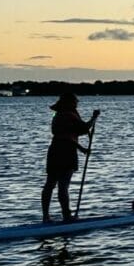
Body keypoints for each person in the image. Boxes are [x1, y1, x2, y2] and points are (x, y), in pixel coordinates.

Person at [43, 92, 99, 223]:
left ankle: (46, 216)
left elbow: (71, 133)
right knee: (62, 185)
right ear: (69, 102)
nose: (77, 104)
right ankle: (67, 216)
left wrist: (81, 148)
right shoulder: (68, 114)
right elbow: (84, 128)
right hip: (66, 153)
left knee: (50, 184)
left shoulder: (57, 115)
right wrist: (94, 117)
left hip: (54, 151)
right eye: (75, 101)